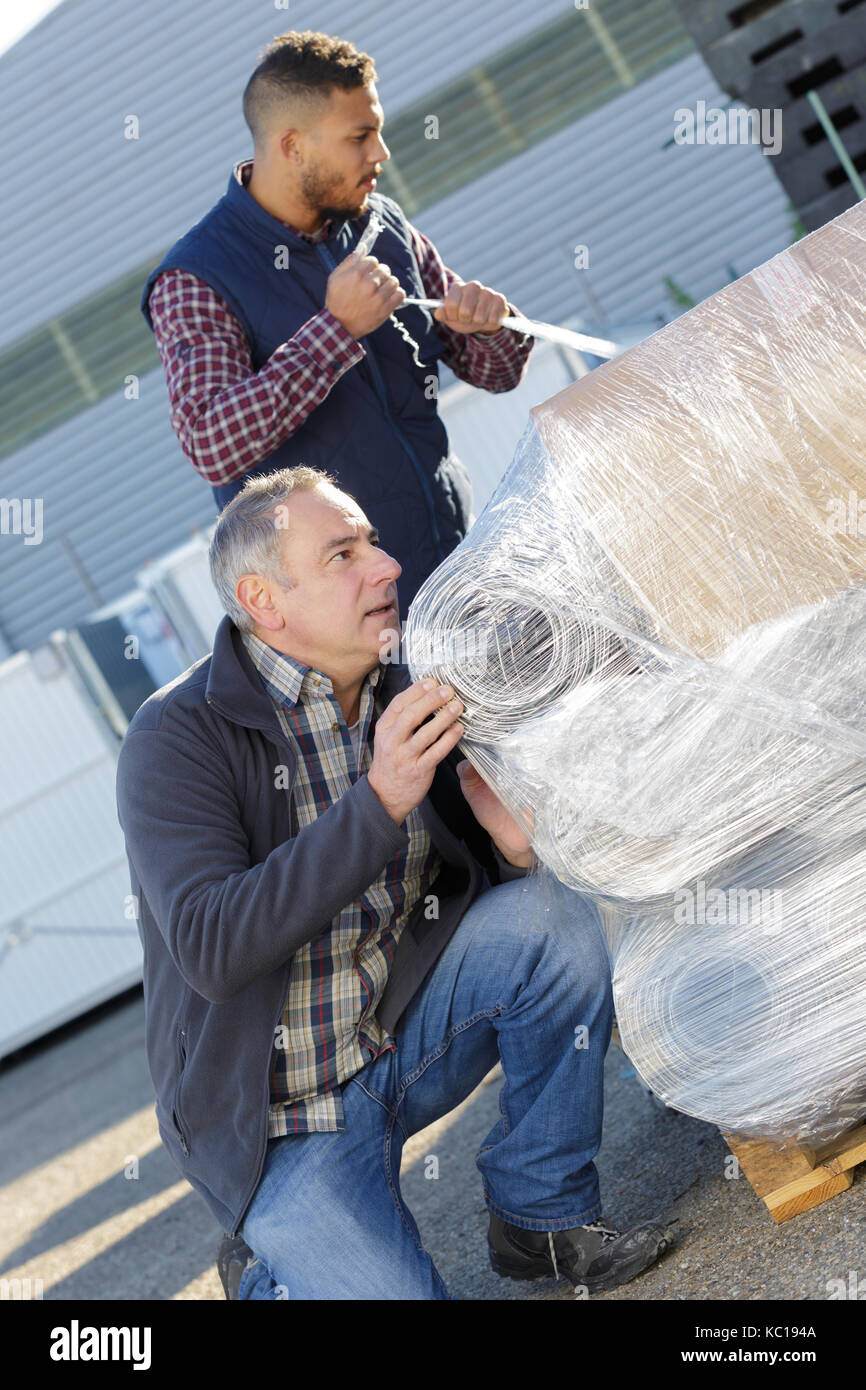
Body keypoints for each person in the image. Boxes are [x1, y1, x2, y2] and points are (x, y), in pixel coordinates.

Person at [114, 464, 675, 1300]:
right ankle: (273, 1277)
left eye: (373, 543)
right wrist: (376, 803)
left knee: (550, 922)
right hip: (278, 1118)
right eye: (344, 555)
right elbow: (212, 945)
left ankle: (541, 1219)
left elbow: (444, 895)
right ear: (265, 600)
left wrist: (509, 851)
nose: (386, 568)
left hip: (395, 1036)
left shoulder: (406, 681)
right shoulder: (176, 737)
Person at [140, 29, 536, 613]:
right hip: (343, 627)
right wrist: (336, 332)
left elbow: (495, 372)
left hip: (457, 575)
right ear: (293, 146)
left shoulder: (384, 224)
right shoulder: (197, 277)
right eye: (361, 136)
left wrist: (490, 327)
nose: (382, 154)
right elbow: (211, 441)